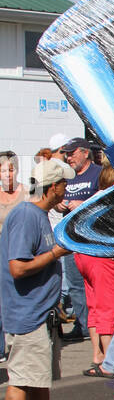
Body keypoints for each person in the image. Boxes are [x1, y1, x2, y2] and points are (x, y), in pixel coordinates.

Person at [0, 157, 78, 400]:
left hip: (41, 313)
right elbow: (17, 267)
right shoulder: (26, 215)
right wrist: (56, 253)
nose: (66, 190)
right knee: (20, 380)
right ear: (53, 187)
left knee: (38, 381)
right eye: (63, 185)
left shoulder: (40, 214)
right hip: (27, 315)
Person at [74, 163, 114, 376]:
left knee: (95, 307)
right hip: (105, 259)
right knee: (111, 309)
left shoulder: (91, 200)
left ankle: (97, 354)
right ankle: (110, 361)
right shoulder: (112, 201)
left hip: (83, 257)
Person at [55, 139, 101, 344]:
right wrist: (59, 205)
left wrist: (83, 204)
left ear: (85, 153)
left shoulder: (98, 173)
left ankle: (102, 327)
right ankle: (82, 324)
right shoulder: (68, 177)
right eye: (66, 153)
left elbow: (107, 200)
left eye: (72, 153)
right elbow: (56, 201)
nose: (69, 157)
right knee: (75, 285)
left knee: (96, 286)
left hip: (92, 241)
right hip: (71, 241)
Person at [0, 151, 25, 360]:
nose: (8, 175)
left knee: (17, 297)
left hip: (20, 253)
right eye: (3, 171)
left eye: (11, 169)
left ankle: (19, 338)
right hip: (1, 253)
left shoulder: (27, 193)